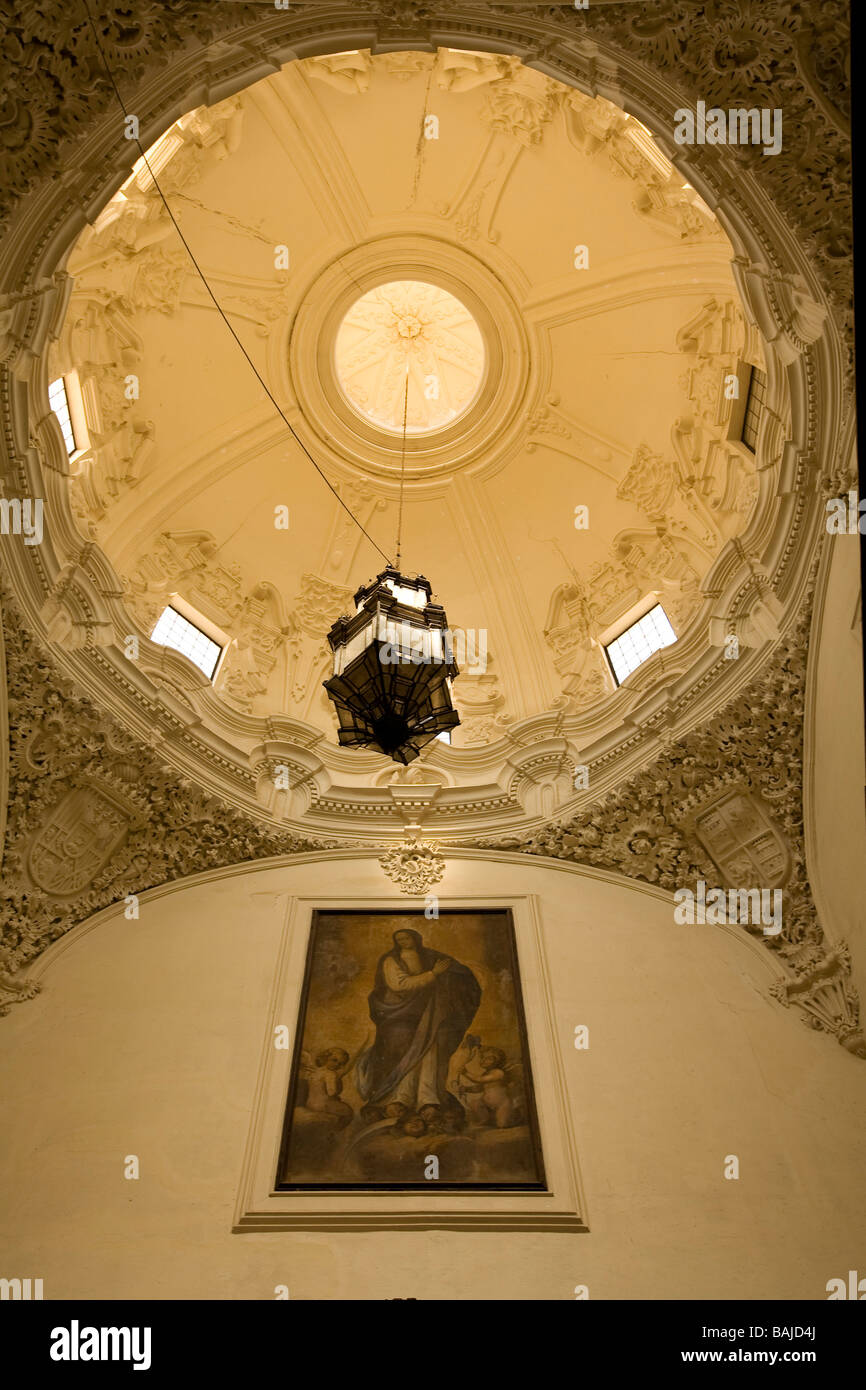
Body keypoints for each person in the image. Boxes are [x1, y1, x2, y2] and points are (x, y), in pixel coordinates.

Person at [355, 927, 481, 1113]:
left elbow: (456, 971)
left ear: (416, 938)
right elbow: (399, 985)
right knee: (405, 1054)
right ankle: (399, 1098)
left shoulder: (429, 956)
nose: (404, 942)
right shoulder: (391, 960)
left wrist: (454, 978)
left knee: (429, 1050)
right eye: (399, 939)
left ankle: (427, 1098)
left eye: (407, 938)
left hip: (428, 1013)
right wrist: (433, 974)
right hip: (400, 1016)